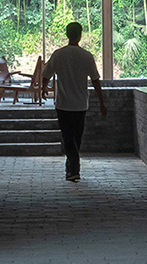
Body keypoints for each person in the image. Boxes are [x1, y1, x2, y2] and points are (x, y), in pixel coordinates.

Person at [36, 21, 105, 183]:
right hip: (81, 104)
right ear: (80, 35)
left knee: (68, 137)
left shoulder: (58, 54)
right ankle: (73, 169)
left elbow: (46, 75)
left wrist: (43, 89)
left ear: (67, 35)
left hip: (63, 104)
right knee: (76, 137)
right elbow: (95, 80)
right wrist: (102, 102)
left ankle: (72, 168)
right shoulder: (87, 56)